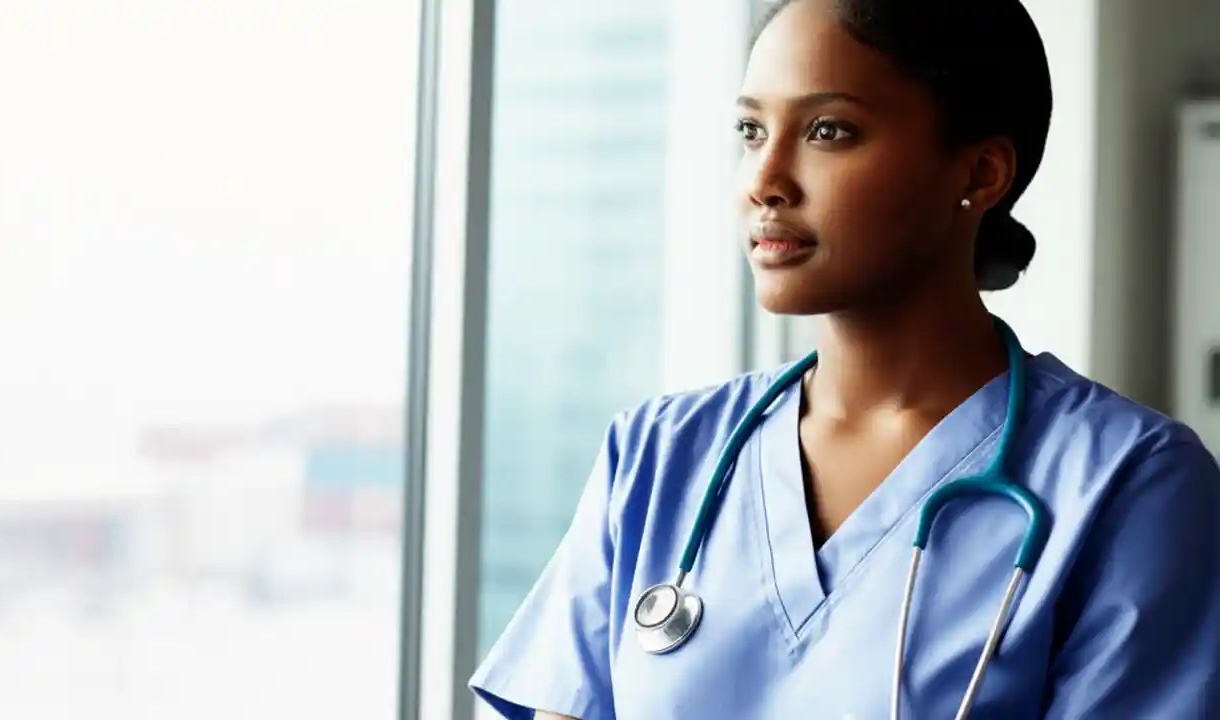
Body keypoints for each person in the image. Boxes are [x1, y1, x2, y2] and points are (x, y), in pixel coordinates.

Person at [469, 0, 1220, 717]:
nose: (765, 183)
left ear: (980, 173)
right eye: (751, 131)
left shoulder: (1128, 483)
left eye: (829, 132)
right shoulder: (660, 453)